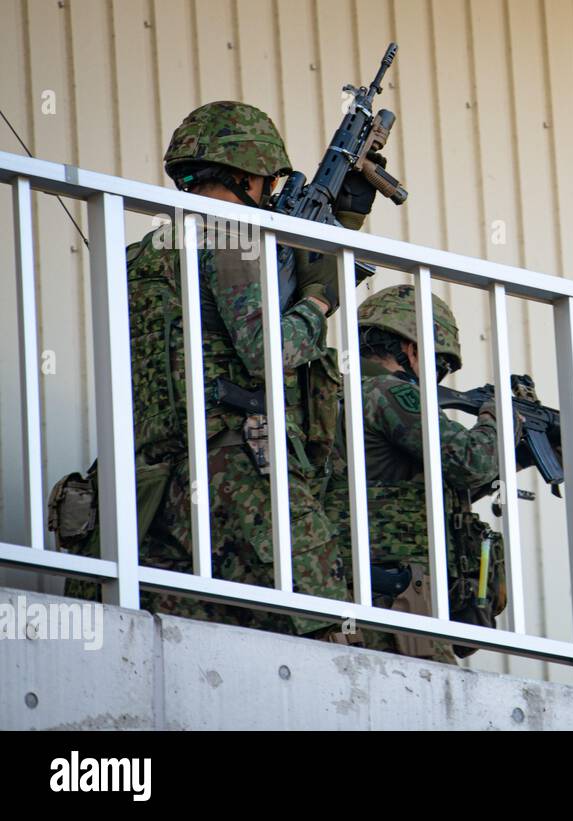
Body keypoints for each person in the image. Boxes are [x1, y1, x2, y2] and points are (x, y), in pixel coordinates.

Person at [52, 101, 376, 638]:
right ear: (250, 174)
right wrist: (319, 304)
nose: (270, 192)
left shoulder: (144, 253)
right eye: (267, 182)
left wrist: (342, 225)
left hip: (153, 483)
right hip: (234, 465)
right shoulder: (232, 234)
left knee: (194, 630)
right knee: (328, 620)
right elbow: (267, 354)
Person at [324, 284, 512, 662]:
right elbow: (472, 461)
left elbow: (421, 487)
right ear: (412, 350)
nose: (435, 380)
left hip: (362, 593)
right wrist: (498, 418)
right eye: (439, 367)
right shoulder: (391, 392)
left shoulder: (336, 393)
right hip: (398, 605)